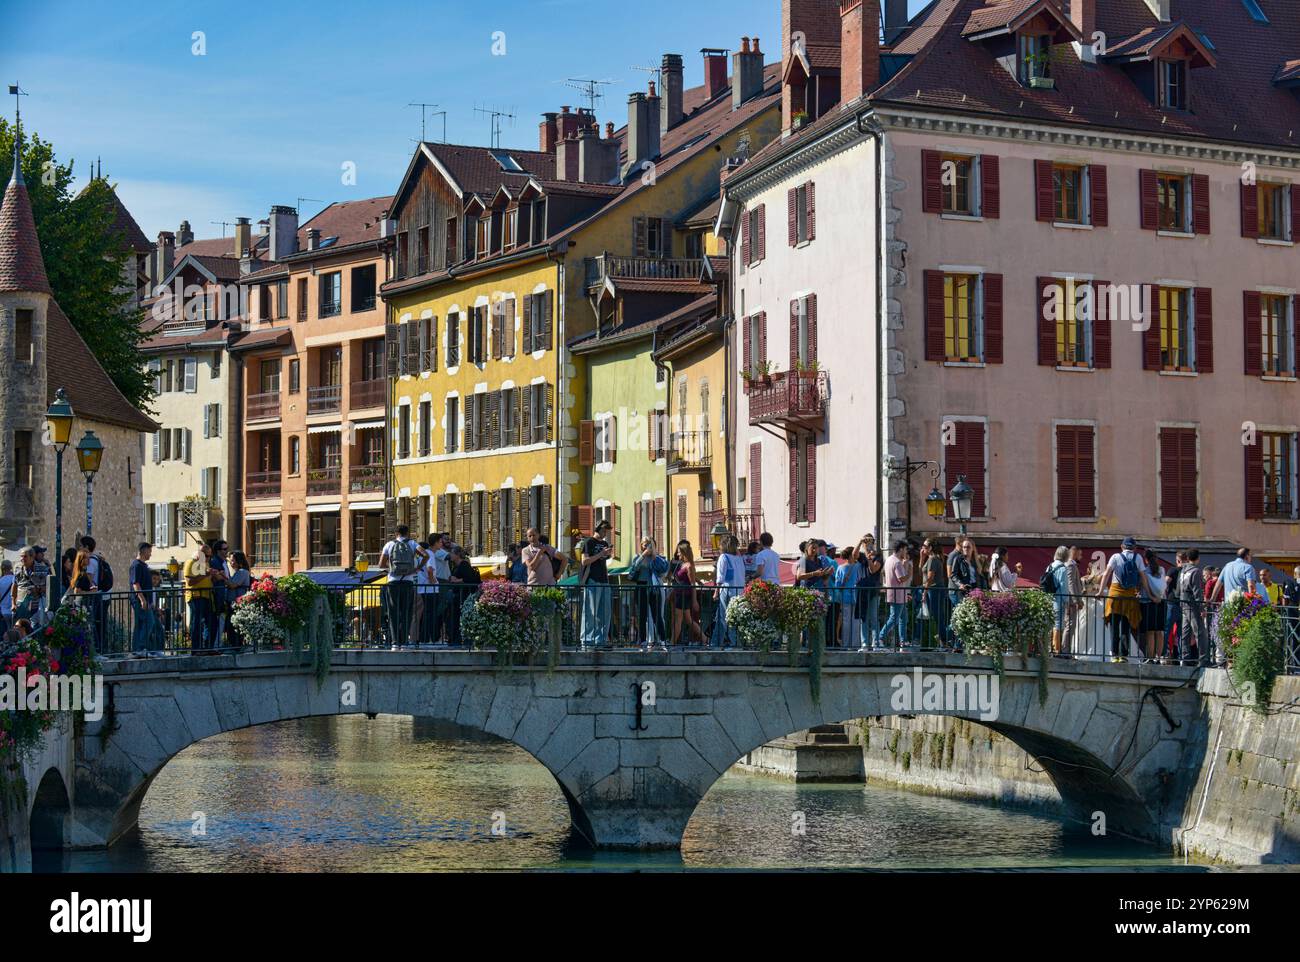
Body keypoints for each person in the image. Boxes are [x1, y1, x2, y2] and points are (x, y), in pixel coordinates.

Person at [1098, 537, 1146, 663]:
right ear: (1134, 547)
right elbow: (1143, 577)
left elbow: (1106, 574)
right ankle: (1123, 655)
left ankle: (1114, 655)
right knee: (1126, 626)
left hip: (1115, 595)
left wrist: (1100, 591)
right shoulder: (1138, 558)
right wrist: (1149, 593)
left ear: (1122, 546)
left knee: (1114, 626)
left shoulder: (1115, 557)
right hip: (1129, 596)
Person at [380, 524, 424, 650]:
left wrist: (391, 569)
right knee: (407, 612)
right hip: (408, 582)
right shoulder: (412, 544)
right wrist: (417, 568)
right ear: (407, 533)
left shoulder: (389, 545)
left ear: (396, 533)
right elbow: (425, 555)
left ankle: (394, 643)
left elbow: (380, 564)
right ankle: (404, 643)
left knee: (393, 613)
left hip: (393, 582)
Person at [579, 520, 615, 648]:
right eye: (604, 530)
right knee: (590, 611)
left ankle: (601, 639)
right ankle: (587, 640)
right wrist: (601, 554)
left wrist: (608, 554)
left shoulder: (604, 543)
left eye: (607, 531)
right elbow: (585, 561)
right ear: (598, 528)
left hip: (604, 579)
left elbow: (603, 559)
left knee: (605, 612)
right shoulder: (589, 542)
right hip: (592, 579)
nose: (605, 533)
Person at [627, 537, 669, 649]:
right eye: (644, 544)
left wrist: (654, 555)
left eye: (649, 544)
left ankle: (662, 640)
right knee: (642, 615)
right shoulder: (638, 557)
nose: (646, 547)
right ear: (641, 545)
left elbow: (664, 568)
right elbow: (634, 567)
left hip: (653, 587)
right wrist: (643, 555)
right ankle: (643, 641)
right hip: (641, 586)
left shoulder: (656, 558)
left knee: (657, 615)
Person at [669, 540, 706, 647]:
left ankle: (672, 643)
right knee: (689, 620)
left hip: (684, 596)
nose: (678, 553)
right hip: (681, 594)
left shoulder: (688, 566)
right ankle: (704, 638)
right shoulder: (683, 565)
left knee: (678, 620)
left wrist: (694, 601)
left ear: (684, 552)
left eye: (680, 552)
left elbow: (692, 584)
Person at [711, 535, 745, 650]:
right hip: (739, 592)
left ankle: (718, 644)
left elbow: (720, 578)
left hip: (727, 591)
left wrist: (716, 592)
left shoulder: (723, 557)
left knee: (723, 618)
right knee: (735, 619)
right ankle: (735, 643)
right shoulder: (739, 558)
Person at [878, 541, 913, 650]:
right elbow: (901, 578)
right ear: (901, 549)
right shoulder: (897, 562)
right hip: (898, 595)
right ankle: (881, 637)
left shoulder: (889, 560)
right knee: (894, 618)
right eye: (905, 549)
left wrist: (905, 565)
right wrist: (910, 572)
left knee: (903, 618)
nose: (906, 552)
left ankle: (903, 641)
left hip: (896, 594)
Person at [1046, 546, 1080, 657]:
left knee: (1051, 624)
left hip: (1049, 599)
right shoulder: (1063, 568)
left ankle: (1050, 648)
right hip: (1059, 599)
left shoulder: (1050, 566)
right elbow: (1065, 586)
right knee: (1058, 624)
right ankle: (1057, 650)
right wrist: (1068, 602)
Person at [1177, 549, 1208, 667]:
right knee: (1199, 632)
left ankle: (1185, 659)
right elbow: (1197, 591)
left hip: (1183, 603)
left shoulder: (1183, 570)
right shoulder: (1195, 571)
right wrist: (1201, 607)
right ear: (1197, 558)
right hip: (1192, 605)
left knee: (1185, 633)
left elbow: (1179, 590)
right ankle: (1203, 659)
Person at [445, 544, 480, 646]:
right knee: (454, 617)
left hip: (463, 596)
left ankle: (461, 640)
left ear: (457, 555)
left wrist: (457, 580)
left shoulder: (464, 565)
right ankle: (455, 639)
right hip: (458, 596)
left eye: (451, 553)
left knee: (459, 617)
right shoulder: (456, 565)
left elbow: (470, 579)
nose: (450, 555)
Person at [184, 542, 216, 652]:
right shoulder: (191, 562)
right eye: (206, 555)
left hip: (207, 597)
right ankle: (196, 649)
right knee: (196, 623)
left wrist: (215, 576)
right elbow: (190, 581)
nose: (208, 558)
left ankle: (207, 648)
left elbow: (207, 580)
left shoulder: (206, 564)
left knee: (210, 623)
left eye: (209, 555)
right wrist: (206, 575)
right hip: (195, 596)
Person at [855, 540, 883, 651]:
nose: (868, 546)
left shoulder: (879, 557)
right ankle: (865, 644)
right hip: (862, 591)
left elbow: (872, 570)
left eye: (870, 544)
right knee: (864, 618)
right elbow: (854, 555)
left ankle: (875, 644)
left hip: (873, 591)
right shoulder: (862, 556)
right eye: (865, 544)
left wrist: (869, 559)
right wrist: (859, 542)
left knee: (874, 617)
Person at [1140, 549, 1167, 664]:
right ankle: (1159, 657)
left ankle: (1150, 657)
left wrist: (1151, 597)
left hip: (1148, 602)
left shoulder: (1144, 571)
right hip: (1162, 601)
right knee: (1160, 631)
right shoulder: (1162, 570)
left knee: (1150, 632)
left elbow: (1145, 587)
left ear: (1145, 560)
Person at [921, 538, 949, 649]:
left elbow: (930, 578)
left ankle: (943, 641)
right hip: (934, 590)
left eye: (925, 546)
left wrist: (924, 592)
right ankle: (942, 641)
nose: (923, 548)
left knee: (937, 616)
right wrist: (922, 558)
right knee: (937, 616)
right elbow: (921, 572)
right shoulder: (931, 559)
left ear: (931, 548)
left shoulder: (933, 559)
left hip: (934, 590)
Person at [129, 542, 155, 655]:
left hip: (145, 600)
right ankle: (140, 648)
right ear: (143, 551)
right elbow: (136, 584)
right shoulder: (136, 565)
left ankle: (140, 649)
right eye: (149, 551)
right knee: (148, 622)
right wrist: (142, 600)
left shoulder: (143, 565)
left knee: (144, 623)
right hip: (139, 600)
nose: (150, 554)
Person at [226, 550, 251, 648]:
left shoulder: (243, 572)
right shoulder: (237, 572)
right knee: (231, 626)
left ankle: (237, 646)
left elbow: (232, 585)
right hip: (233, 602)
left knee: (235, 627)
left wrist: (222, 577)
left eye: (233, 560)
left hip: (238, 603)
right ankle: (234, 645)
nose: (231, 563)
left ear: (238, 561)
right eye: (230, 561)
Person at [0, 560, 13, 633]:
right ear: (11, 567)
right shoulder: (15, 579)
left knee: (5, 634)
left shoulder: (0, 581)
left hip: (3, 611)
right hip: (14, 611)